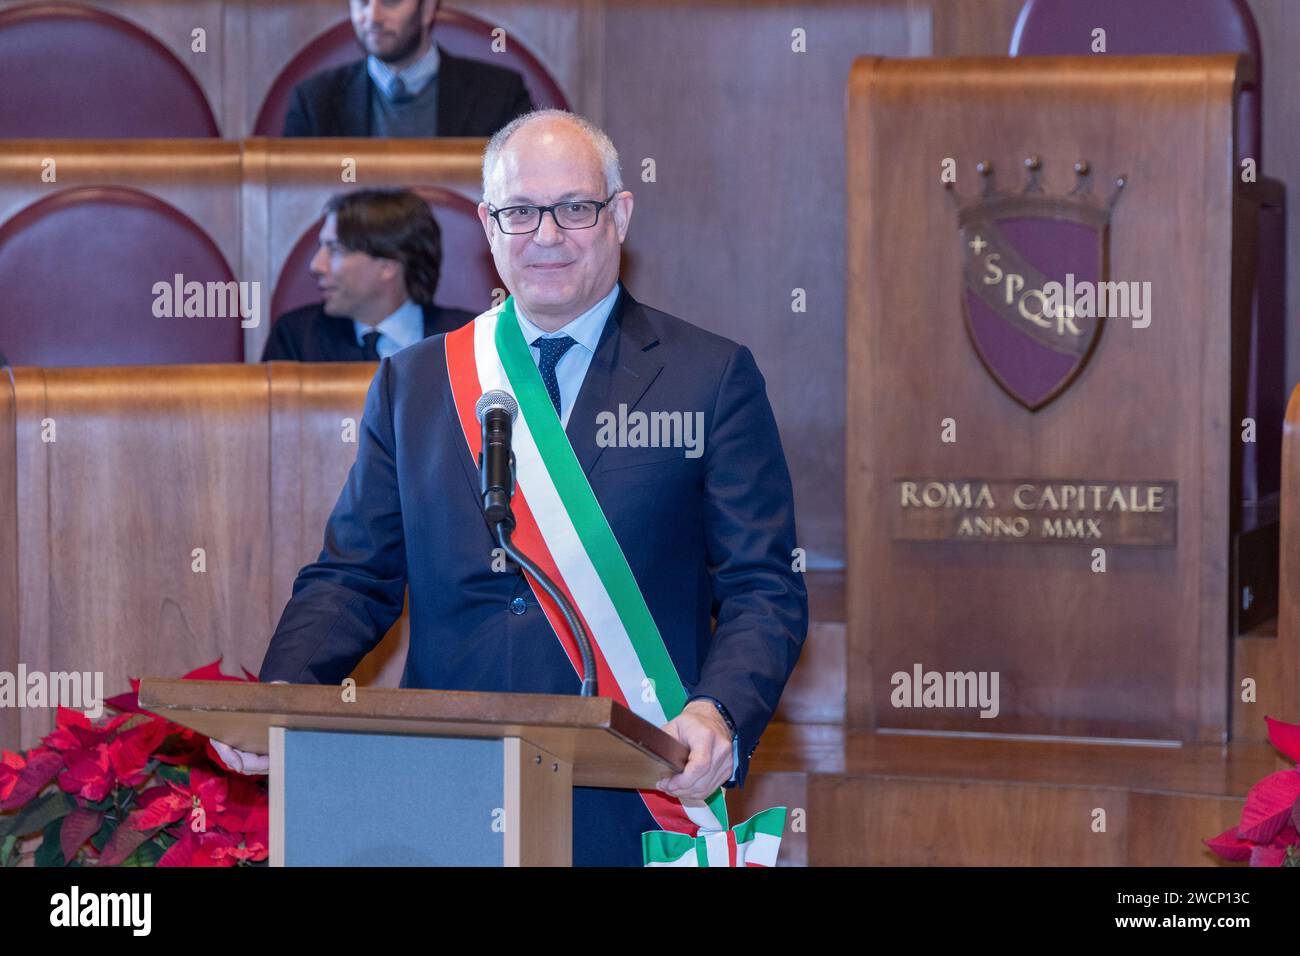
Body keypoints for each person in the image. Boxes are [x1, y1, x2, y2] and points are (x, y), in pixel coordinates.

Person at [221, 110, 807, 866]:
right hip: (445, 792)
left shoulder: (710, 376)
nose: (547, 236)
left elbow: (766, 585)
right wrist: (282, 698)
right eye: (520, 211)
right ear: (486, 225)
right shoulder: (417, 381)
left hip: (632, 796)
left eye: (575, 208)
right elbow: (353, 575)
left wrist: (720, 711)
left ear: (620, 215)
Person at [261, 188, 473, 362]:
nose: (316, 266)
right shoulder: (296, 339)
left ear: (388, 266)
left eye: (335, 249)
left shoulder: (468, 339)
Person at [282, 0, 533, 137]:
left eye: (391, 2)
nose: (373, 16)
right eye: (362, 2)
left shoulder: (500, 95)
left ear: (427, 9)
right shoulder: (314, 101)